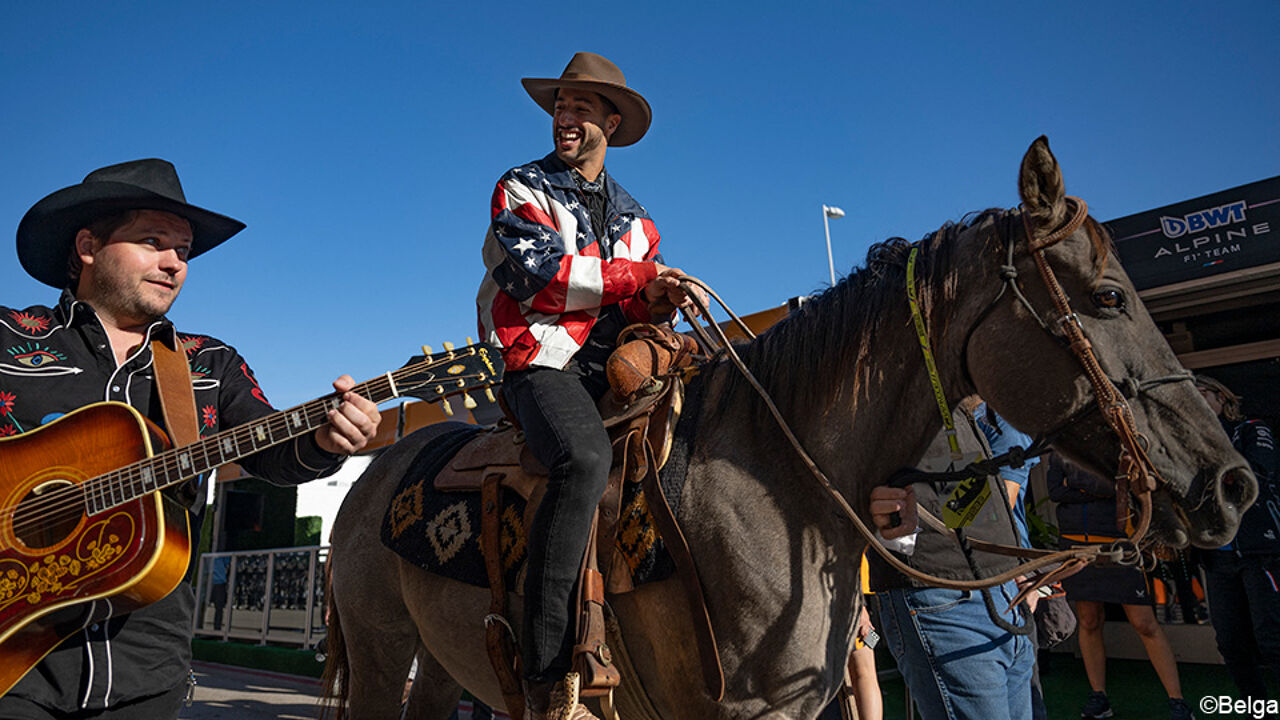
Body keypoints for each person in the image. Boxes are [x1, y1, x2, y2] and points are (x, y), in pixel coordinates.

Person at [0, 159, 381, 719]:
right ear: (87, 245)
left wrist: (325, 441)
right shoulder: (9, 340)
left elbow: (270, 451)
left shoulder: (207, 364)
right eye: (153, 241)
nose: (174, 263)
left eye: (184, 250)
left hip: (146, 677)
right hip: (19, 677)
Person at [475, 52, 702, 720]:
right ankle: (546, 673)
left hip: (609, 370)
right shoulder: (519, 188)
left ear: (611, 119)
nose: (564, 118)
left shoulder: (640, 221)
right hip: (539, 361)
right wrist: (638, 279)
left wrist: (656, 299)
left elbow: (626, 307)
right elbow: (541, 278)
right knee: (584, 460)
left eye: (579, 107)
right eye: (559, 106)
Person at [867, 402, 1037, 720]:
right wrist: (876, 516)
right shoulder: (882, 401)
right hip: (942, 599)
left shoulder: (980, 416)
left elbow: (982, 509)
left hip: (1002, 597)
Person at [1047, 452, 1193, 720]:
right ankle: (1099, 697)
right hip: (1076, 543)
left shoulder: (1109, 444)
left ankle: (1178, 701)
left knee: (1144, 623)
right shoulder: (1060, 450)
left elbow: (1116, 489)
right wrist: (1099, 490)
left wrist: (1081, 489)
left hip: (1119, 543)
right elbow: (1055, 491)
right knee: (1088, 620)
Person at [1195, 374, 1280, 699]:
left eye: (1202, 392)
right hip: (1218, 556)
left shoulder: (1252, 428)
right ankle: (1254, 705)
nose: (1197, 399)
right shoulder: (1192, 442)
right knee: (1230, 641)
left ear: (1221, 398)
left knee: (1270, 636)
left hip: (1260, 549)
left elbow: (1252, 475)